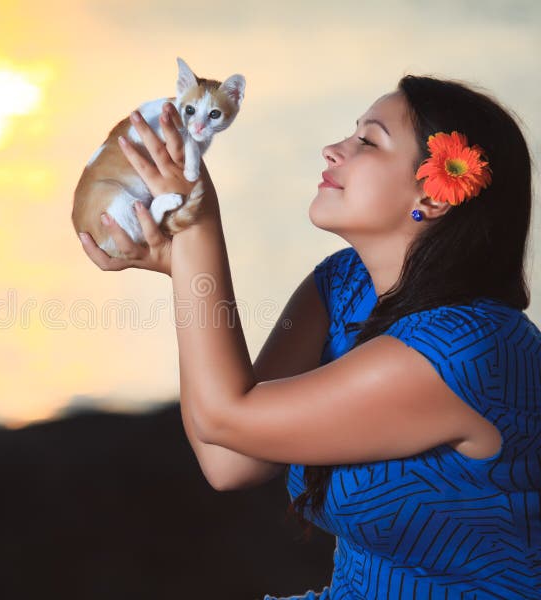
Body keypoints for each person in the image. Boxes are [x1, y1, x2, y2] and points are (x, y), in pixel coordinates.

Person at [77, 75, 540, 598]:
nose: (333, 149)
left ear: (433, 198)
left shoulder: (464, 351)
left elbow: (223, 416)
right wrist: (181, 257)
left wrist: (197, 230)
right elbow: (230, 458)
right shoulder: (342, 286)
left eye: (367, 141)